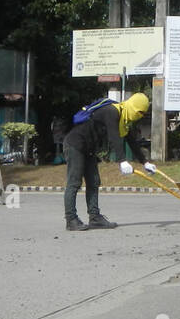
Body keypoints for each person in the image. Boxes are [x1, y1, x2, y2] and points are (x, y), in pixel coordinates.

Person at [62, 92, 152, 231]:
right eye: (139, 112)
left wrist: (145, 162)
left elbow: (131, 142)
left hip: (89, 148)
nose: (139, 116)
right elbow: (113, 136)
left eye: (143, 114)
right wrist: (122, 160)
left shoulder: (124, 118)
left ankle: (95, 218)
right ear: (133, 106)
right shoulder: (112, 111)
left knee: (94, 182)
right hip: (75, 145)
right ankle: (71, 219)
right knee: (74, 182)